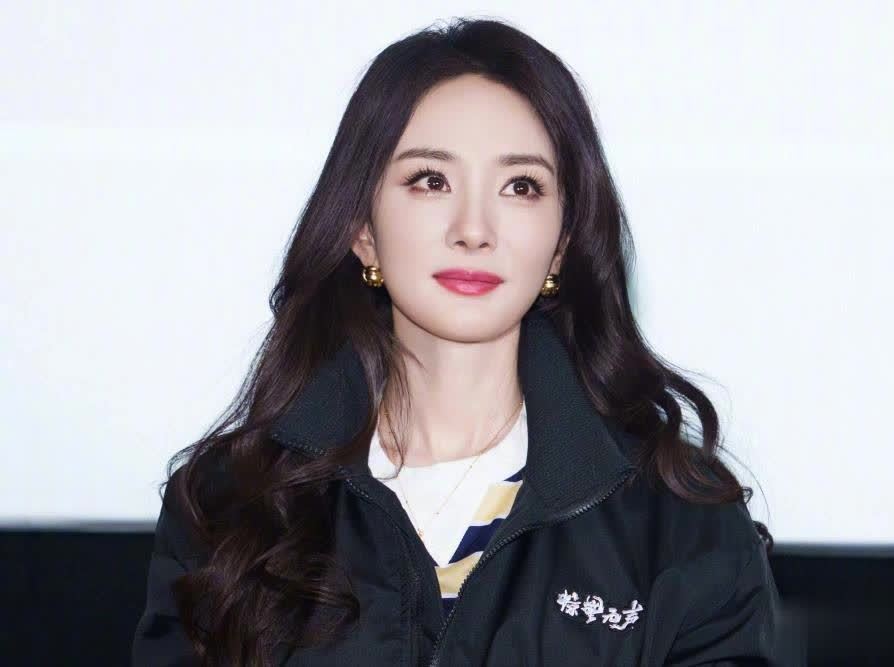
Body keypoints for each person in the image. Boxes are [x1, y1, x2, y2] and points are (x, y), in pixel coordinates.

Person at [132, 16, 790, 666]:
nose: (473, 229)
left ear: (562, 242)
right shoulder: (231, 504)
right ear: (362, 230)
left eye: (520, 187)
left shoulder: (681, 523)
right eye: (430, 180)